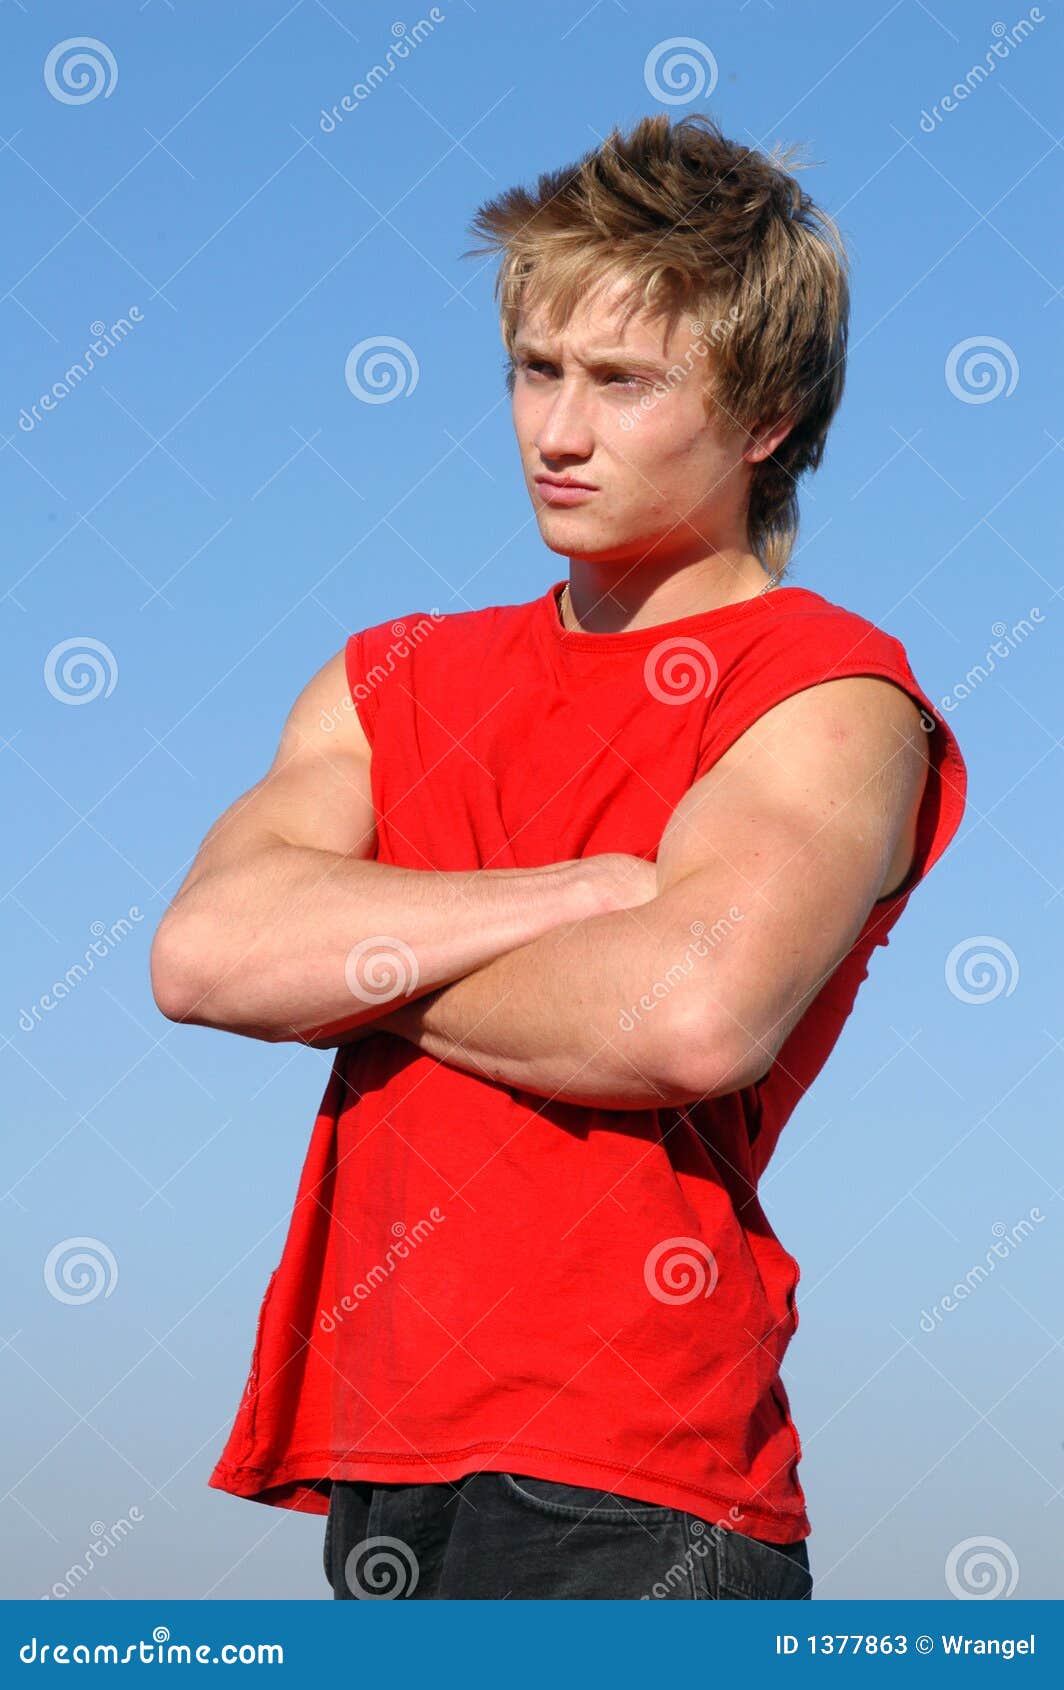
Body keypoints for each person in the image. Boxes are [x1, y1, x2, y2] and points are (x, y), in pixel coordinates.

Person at [150, 112, 967, 1600]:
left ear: (766, 415)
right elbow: (206, 954)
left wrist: (346, 962)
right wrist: (584, 894)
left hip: (641, 1478)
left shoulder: (829, 691)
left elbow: (686, 1019)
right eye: (535, 370)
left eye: (623, 382)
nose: (556, 431)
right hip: (385, 1454)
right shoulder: (390, 674)